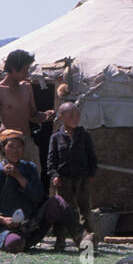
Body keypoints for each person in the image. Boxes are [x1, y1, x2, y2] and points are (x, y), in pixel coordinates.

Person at [0, 130, 76, 253]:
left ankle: (80, 237)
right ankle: (17, 241)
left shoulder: (30, 168)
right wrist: (2, 219)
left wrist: (18, 176)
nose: (15, 150)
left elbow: (39, 196)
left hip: (31, 225)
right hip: (5, 227)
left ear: (23, 148)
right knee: (15, 243)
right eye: (11, 146)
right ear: (3, 148)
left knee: (57, 202)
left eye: (19, 146)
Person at [0, 49, 53, 170]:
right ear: (14, 68)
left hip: (27, 141)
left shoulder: (26, 87)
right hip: (8, 144)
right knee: (10, 179)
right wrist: (2, 131)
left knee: (33, 178)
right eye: (25, 69)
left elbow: (33, 115)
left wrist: (45, 116)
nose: (27, 73)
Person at [46, 101, 97, 250]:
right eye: (71, 116)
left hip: (82, 178)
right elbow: (51, 160)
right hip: (63, 180)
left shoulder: (85, 135)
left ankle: (88, 238)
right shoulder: (56, 138)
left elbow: (92, 156)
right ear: (61, 117)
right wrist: (54, 175)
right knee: (64, 209)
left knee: (85, 209)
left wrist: (92, 173)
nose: (75, 118)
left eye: (77, 115)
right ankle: (60, 239)